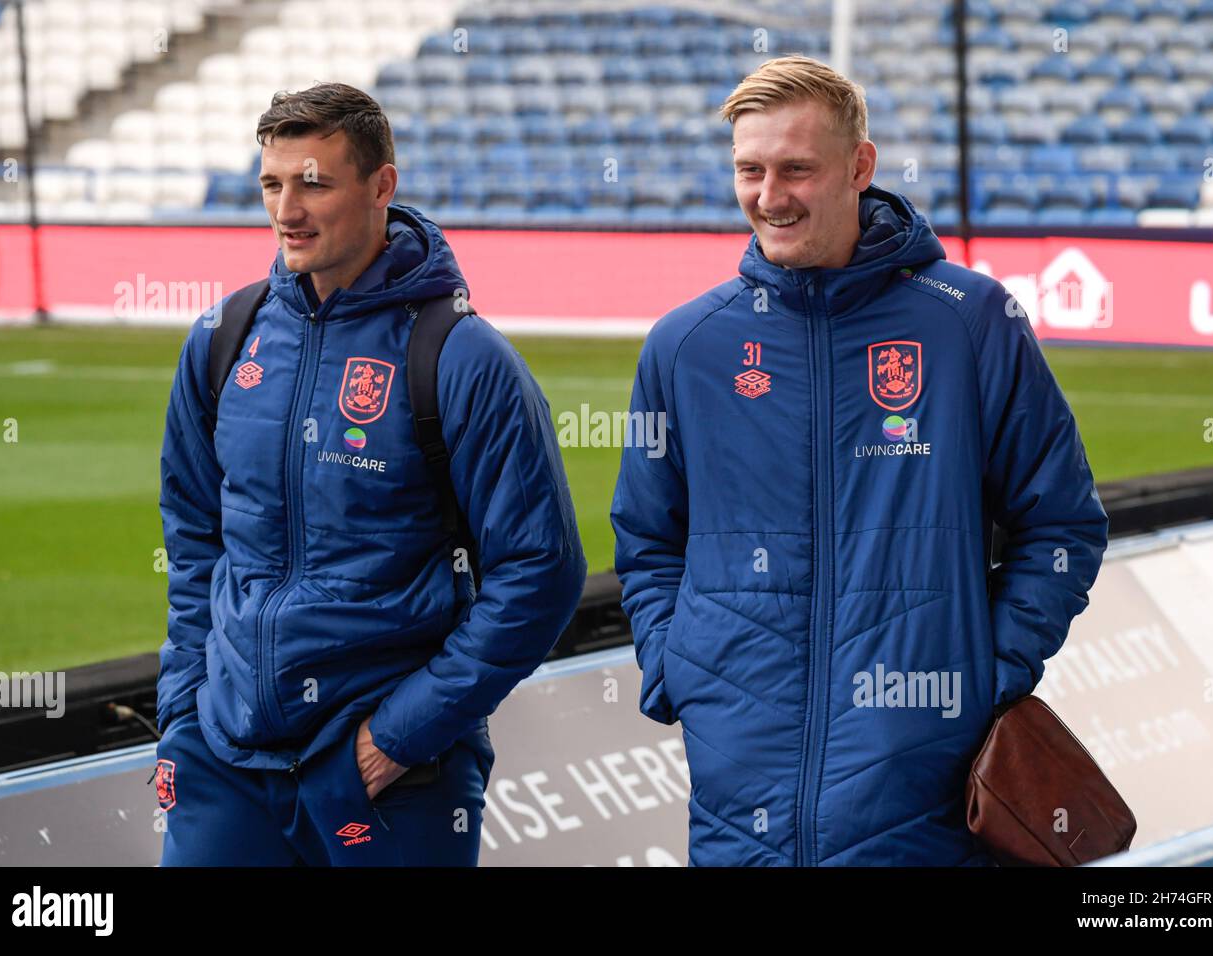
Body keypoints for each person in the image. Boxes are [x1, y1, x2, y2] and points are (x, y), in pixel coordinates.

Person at [610, 55, 1108, 866]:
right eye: (750, 169)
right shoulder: (686, 345)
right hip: (739, 801)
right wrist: (680, 671)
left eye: (797, 169)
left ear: (859, 166)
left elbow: (1061, 526)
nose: (769, 197)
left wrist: (983, 675)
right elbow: (647, 537)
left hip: (923, 803)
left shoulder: (969, 321)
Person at [155, 82, 586, 865]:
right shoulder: (222, 340)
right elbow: (192, 538)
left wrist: (395, 739)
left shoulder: (462, 357)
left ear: (381, 186)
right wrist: (183, 710)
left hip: (389, 779)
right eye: (273, 185)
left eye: (314, 182)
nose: (288, 209)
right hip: (224, 762)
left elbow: (541, 574)